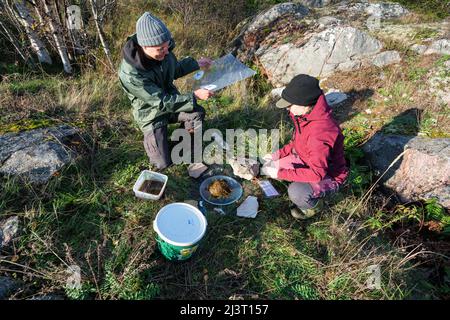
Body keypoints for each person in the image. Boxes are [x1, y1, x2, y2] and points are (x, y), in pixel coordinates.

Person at [118, 12, 214, 170]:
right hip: (150, 113)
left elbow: (174, 69)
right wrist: (195, 96)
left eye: (167, 45)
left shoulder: (164, 49)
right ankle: (158, 144)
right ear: (145, 46)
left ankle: (182, 147)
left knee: (196, 114)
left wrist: (196, 63)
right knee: (163, 163)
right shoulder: (130, 73)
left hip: (171, 102)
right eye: (161, 48)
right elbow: (160, 102)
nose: (167, 51)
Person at [261, 74, 349, 219]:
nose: (288, 110)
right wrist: (275, 155)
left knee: (297, 192)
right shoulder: (304, 116)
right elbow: (296, 144)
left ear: (305, 104)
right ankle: (298, 181)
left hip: (329, 176)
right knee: (275, 164)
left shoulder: (320, 133)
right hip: (307, 160)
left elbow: (317, 174)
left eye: (290, 106)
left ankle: (313, 206)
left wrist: (279, 174)